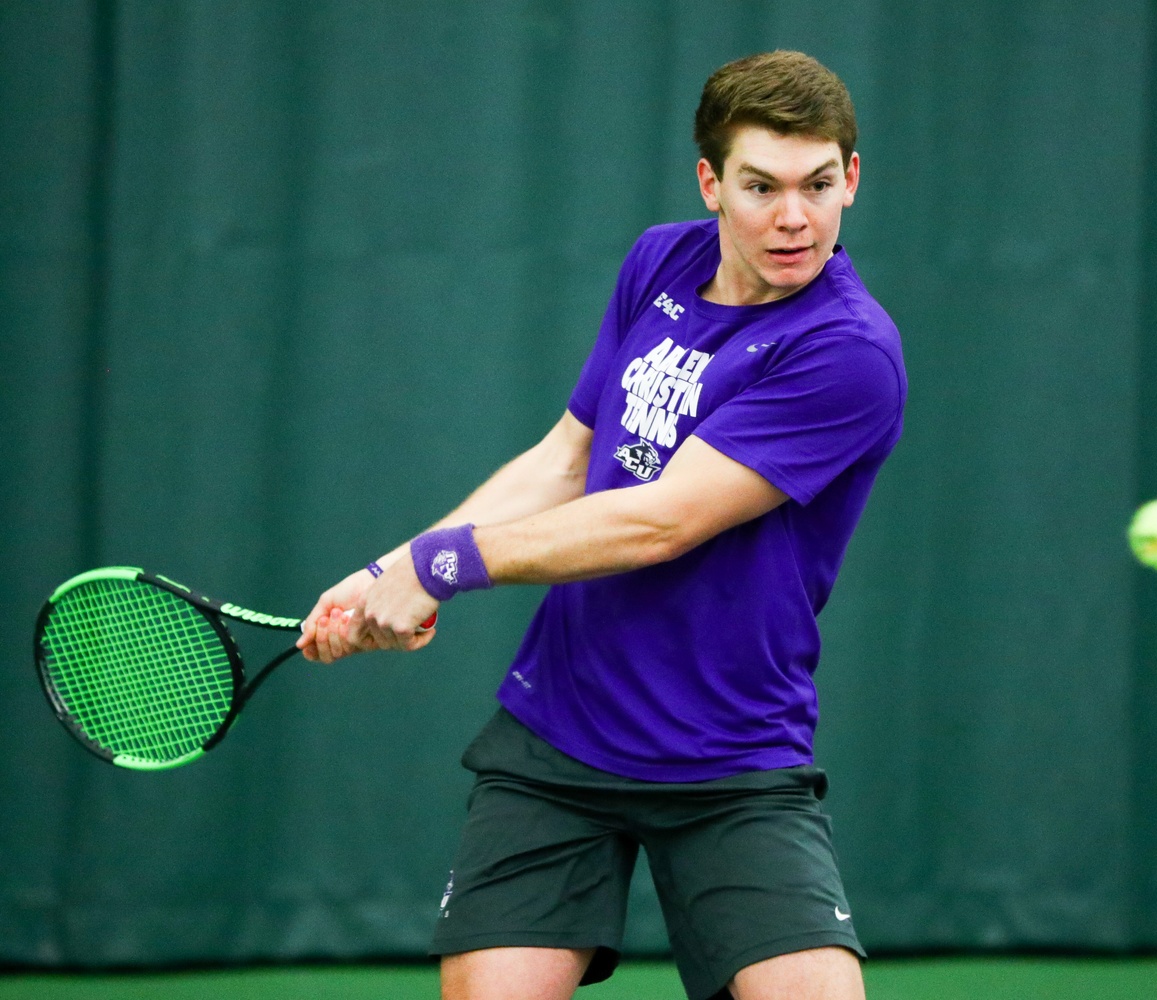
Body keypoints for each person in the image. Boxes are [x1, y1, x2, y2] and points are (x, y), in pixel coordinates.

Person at [297, 50, 906, 1000]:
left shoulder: (847, 352)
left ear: (851, 179)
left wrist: (440, 563)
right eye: (762, 187)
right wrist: (390, 568)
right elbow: (567, 460)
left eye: (819, 185)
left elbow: (658, 524)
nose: (795, 218)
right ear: (711, 184)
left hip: (730, 755)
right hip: (558, 738)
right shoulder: (659, 260)